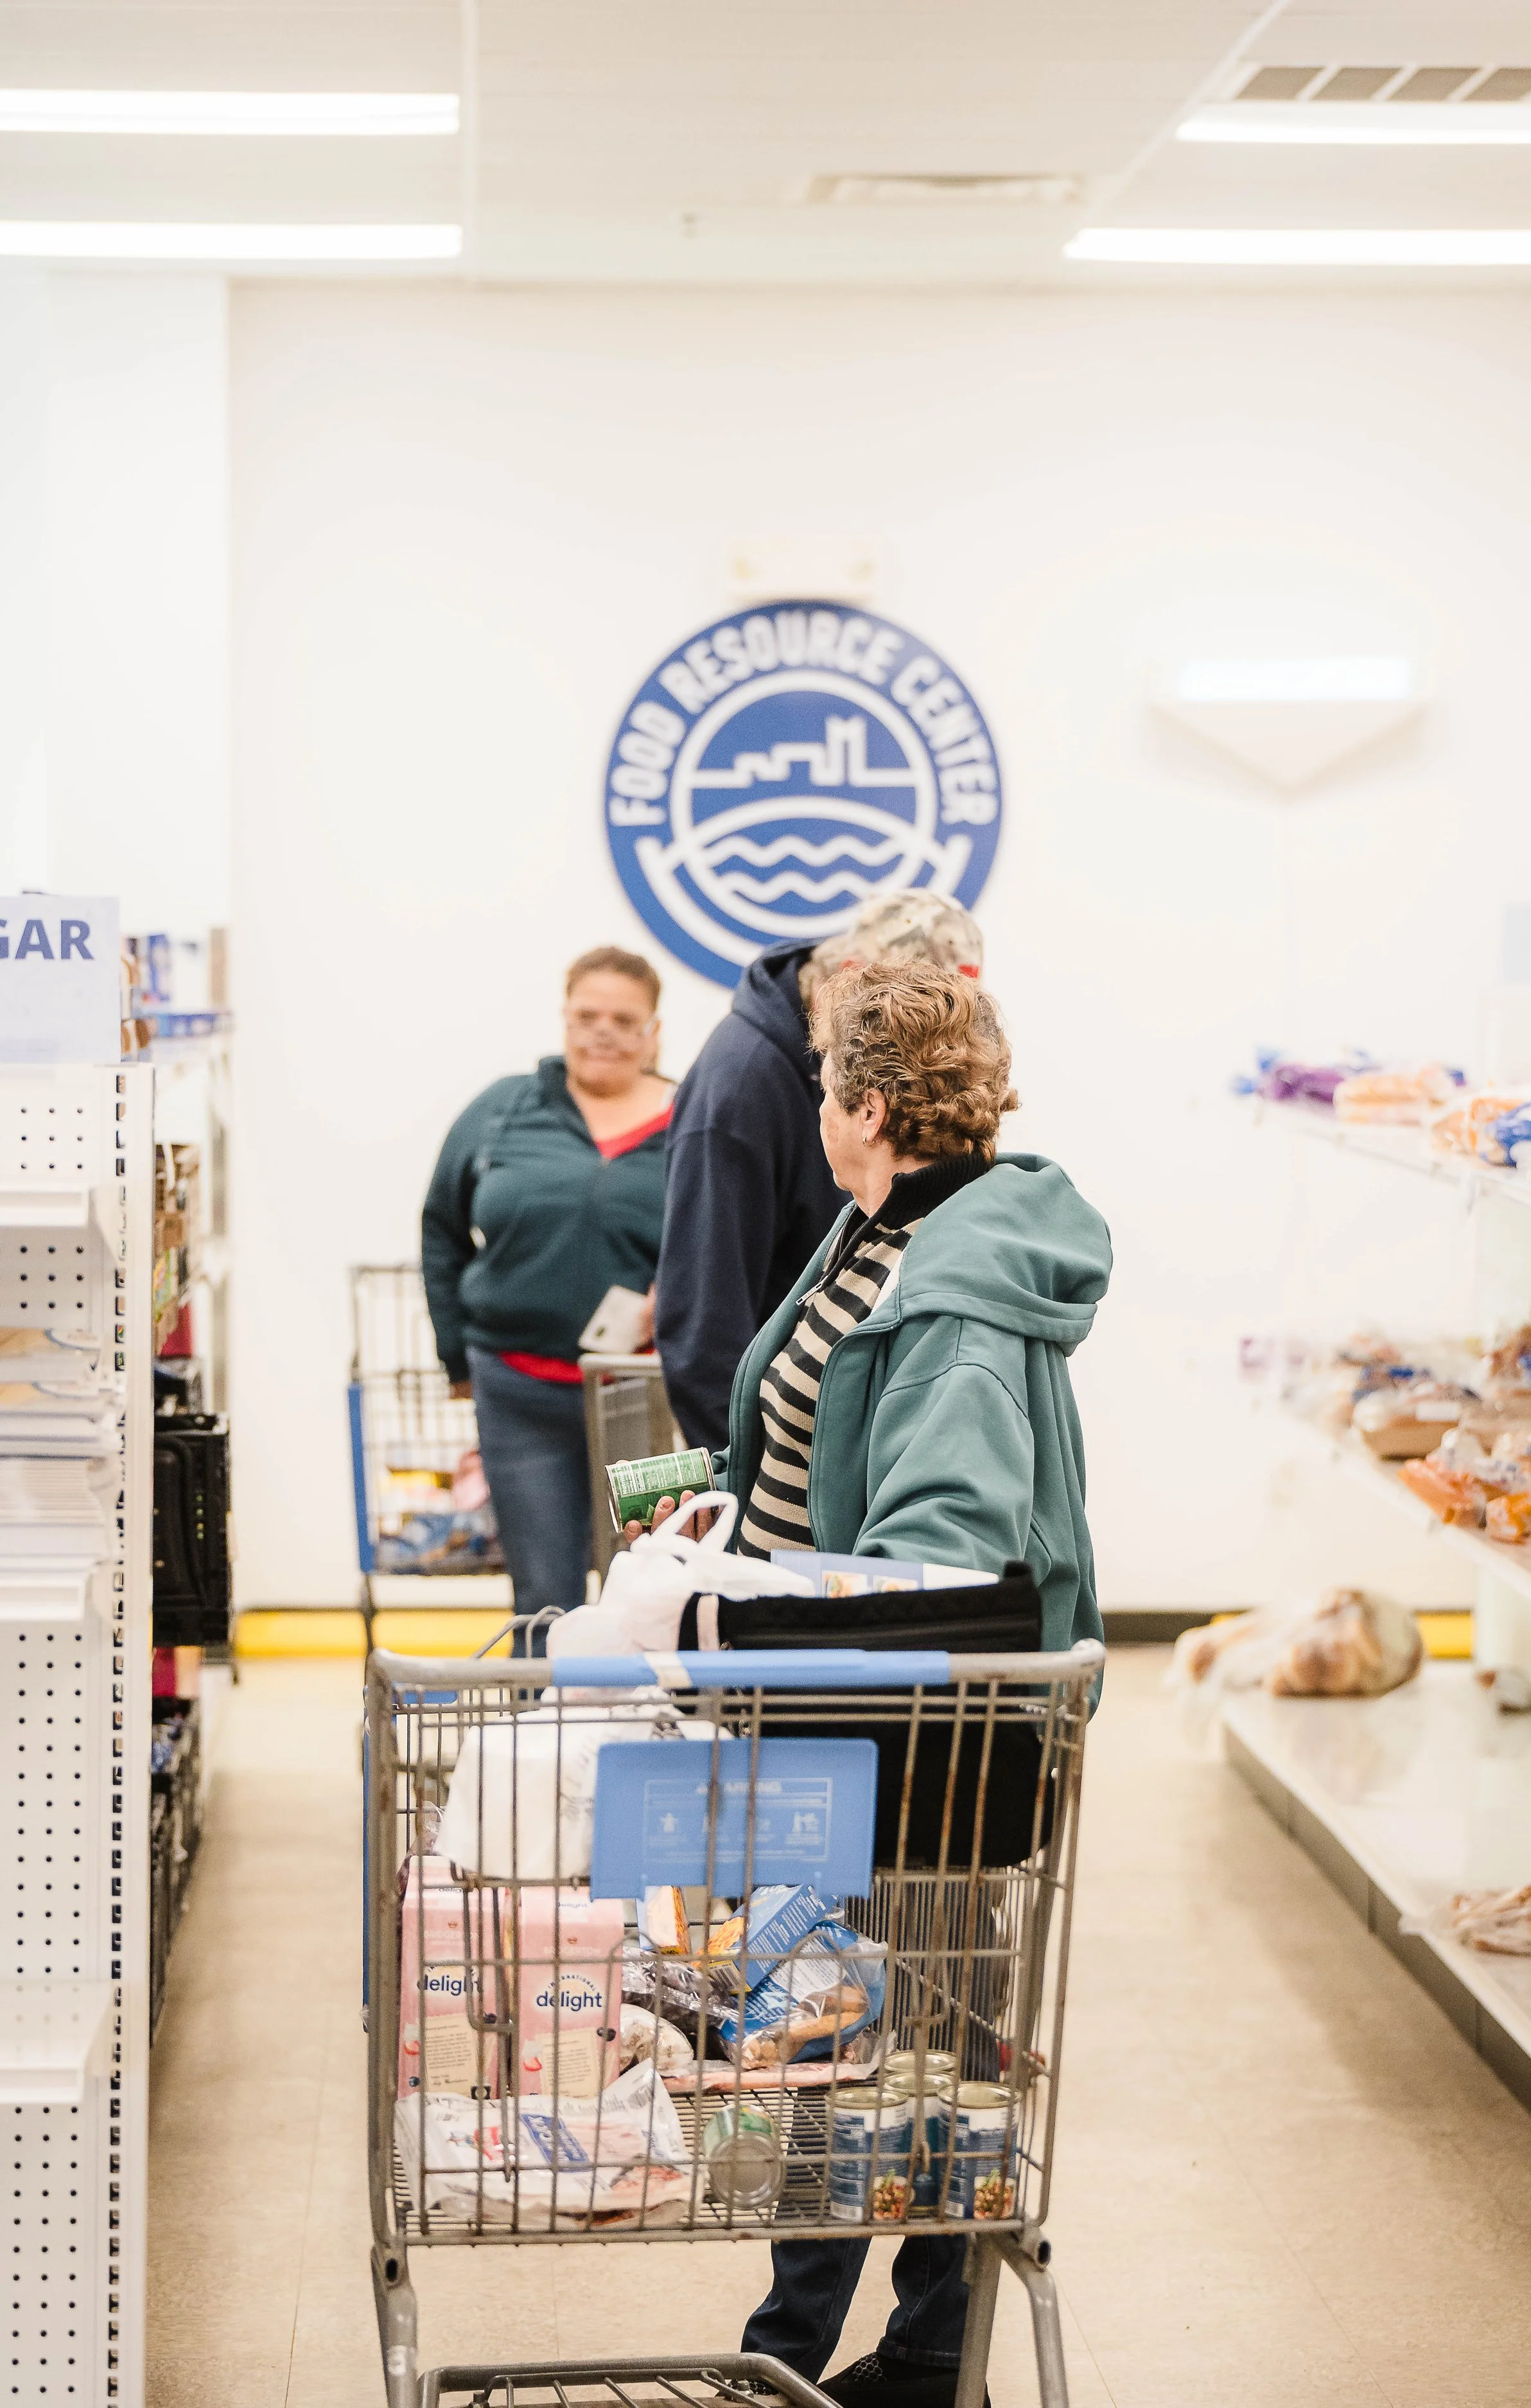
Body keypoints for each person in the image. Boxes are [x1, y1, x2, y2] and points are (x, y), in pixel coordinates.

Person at [638, 959, 1110, 2405]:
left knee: (912, 2067)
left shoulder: (953, 1294)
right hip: (828, 1727)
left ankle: (910, 2364)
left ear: (874, 1104)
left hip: (911, 1753)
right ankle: (804, 2356)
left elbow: (940, 1560)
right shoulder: (883, 1230)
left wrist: (751, 1614)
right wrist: (721, 1520)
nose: (818, 1110)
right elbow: (813, 1441)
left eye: (829, 1086)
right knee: (836, 2056)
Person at [654, 888, 984, 1451]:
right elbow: (704, 1334)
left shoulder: (862, 1066)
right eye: (908, 1025)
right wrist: (751, 1488)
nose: (921, 1055)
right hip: (783, 1466)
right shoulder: (739, 1091)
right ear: (852, 979)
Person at [421, 945, 674, 1643]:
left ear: (653, 1032)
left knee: (650, 1586)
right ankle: (544, 1741)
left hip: (644, 1395)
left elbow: (725, 1241)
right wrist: (457, 1364)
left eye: (625, 1019)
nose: (603, 1032)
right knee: (543, 1597)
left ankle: (639, 1742)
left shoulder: (690, 1120)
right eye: (587, 1015)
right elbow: (442, 1229)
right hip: (519, 1393)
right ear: (564, 1020)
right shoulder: (503, 1111)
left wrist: (677, 1299)